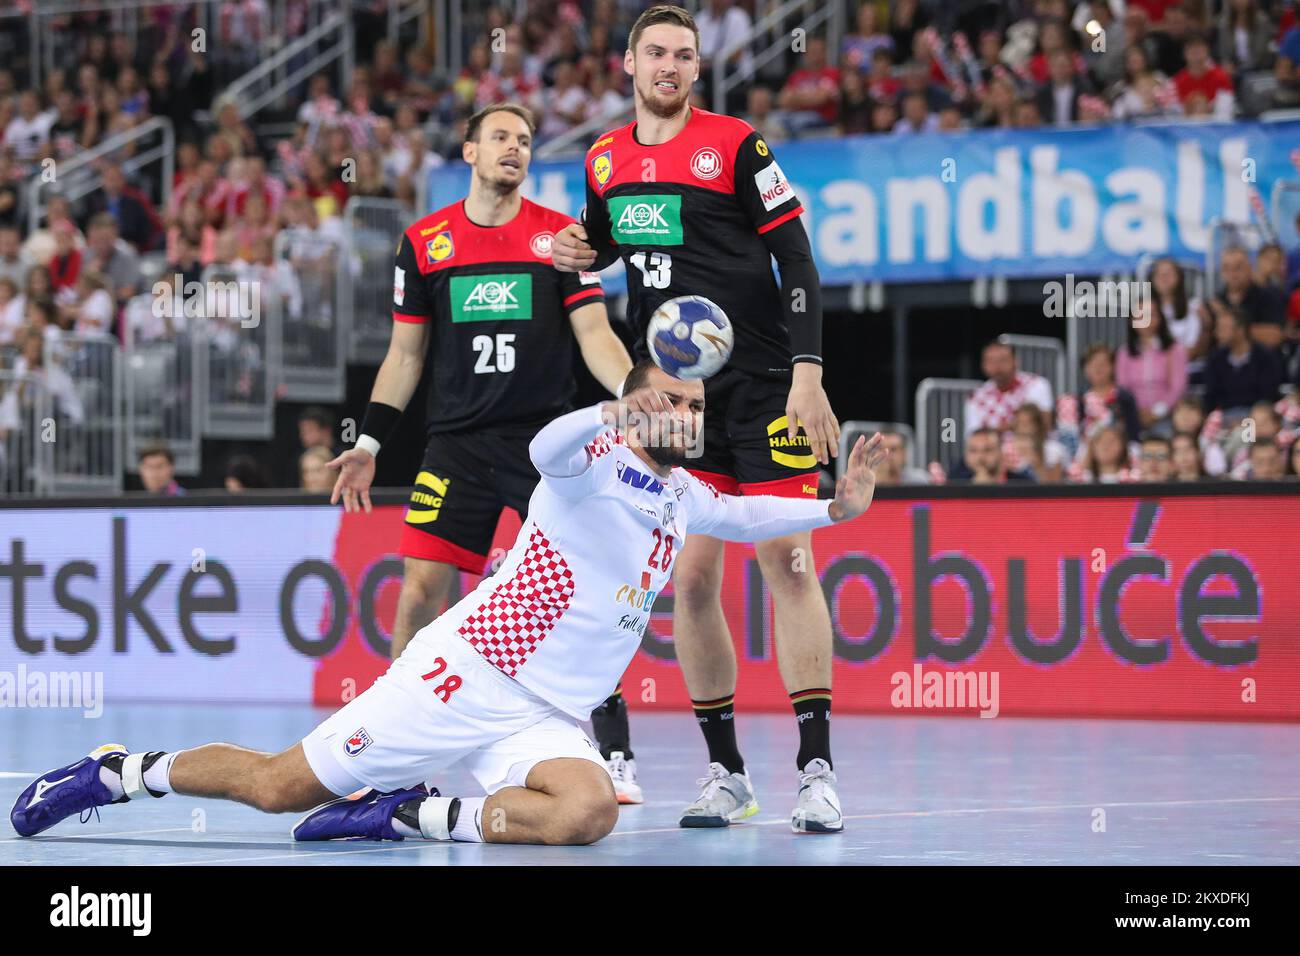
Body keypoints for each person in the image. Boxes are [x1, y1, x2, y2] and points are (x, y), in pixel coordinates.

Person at [10, 364, 888, 844]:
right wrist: (609, 411)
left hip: (543, 713)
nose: (684, 416)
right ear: (639, 404)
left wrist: (835, 509)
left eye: (694, 405)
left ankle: (409, 813)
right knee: (280, 788)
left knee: (586, 814)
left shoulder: (681, 496)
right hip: (462, 673)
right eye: (669, 400)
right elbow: (546, 447)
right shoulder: (591, 465)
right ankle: (120, 771)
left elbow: (742, 512)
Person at [551, 4, 846, 831]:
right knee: (692, 578)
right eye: (657, 53)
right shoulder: (604, 157)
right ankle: (727, 774)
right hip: (680, 403)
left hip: (763, 387)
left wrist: (808, 372)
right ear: (630, 64)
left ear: (695, 69)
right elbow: (614, 243)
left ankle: (816, 768)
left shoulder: (738, 144)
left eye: (685, 54)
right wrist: (585, 250)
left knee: (787, 563)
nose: (671, 66)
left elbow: (796, 256)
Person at [326, 103, 637, 800]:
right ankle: (389, 760)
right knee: (419, 593)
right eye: (501, 137)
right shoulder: (426, 242)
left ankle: (615, 754)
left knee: (579, 592)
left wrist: (634, 391)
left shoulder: (560, 238)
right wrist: (371, 440)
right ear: (468, 151)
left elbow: (594, 335)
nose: (516, 149)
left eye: (525, 141)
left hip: (545, 449)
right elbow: (405, 356)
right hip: (456, 447)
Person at [1203, 305, 1283, 418]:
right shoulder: (1215, 359)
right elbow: (1211, 396)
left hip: (1256, 417)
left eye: (1223, 328)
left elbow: (1268, 396)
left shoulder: (1265, 357)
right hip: (1224, 417)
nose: (1216, 333)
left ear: (1240, 330)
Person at [964, 340, 1054, 438]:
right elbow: (974, 436)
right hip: (994, 452)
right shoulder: (976, 397)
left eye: (1002, 360)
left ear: (1015, 361)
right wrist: (1016, 424)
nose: (997, 367)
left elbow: (1044, 424)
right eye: (991, 361)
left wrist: (995, 430)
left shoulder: (1036, 384)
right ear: (983, 365)